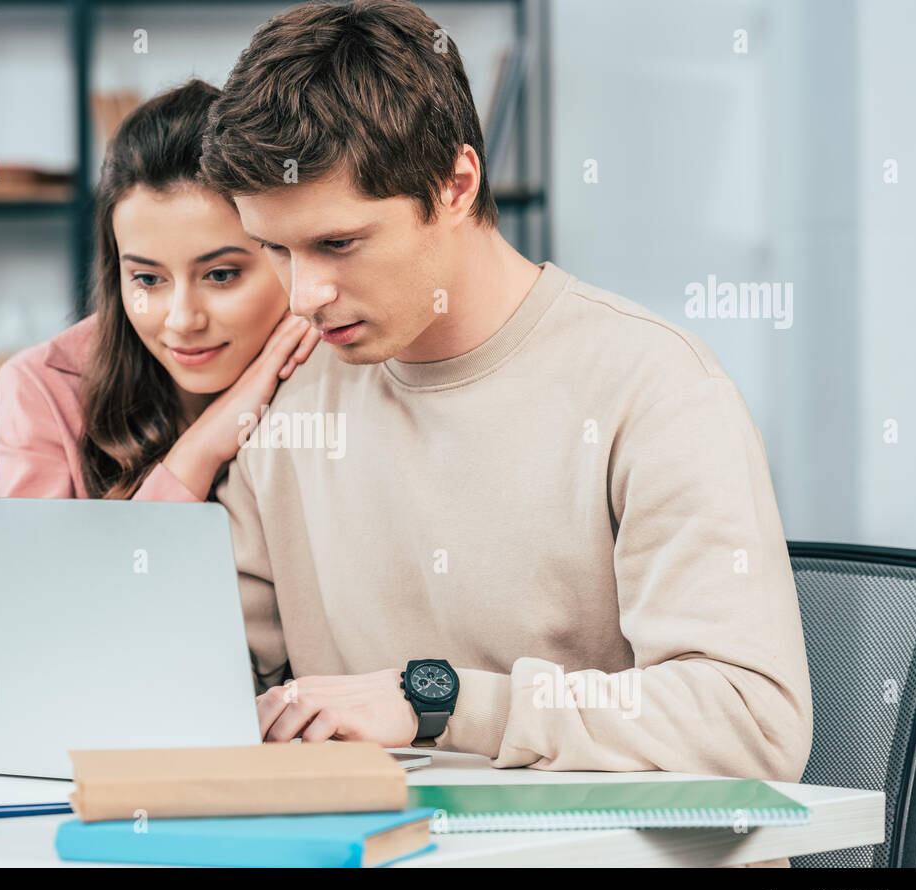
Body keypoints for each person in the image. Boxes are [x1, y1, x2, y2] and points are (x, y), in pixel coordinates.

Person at [199, 0, 813, 805]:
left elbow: (751, 720)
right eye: (275, 249)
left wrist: (442, 699)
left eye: (337, 244)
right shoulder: (295, 398)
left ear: (455, 184)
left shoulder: (654, 388)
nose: (305, 293)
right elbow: (190, 671)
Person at [0, 79, 319, 501]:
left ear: (284, 254)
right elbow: (51, 570)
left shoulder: (334, 364)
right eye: (148, 279)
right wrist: (205, 444)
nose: (182, 320)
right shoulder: (42, 388)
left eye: (221, 275)